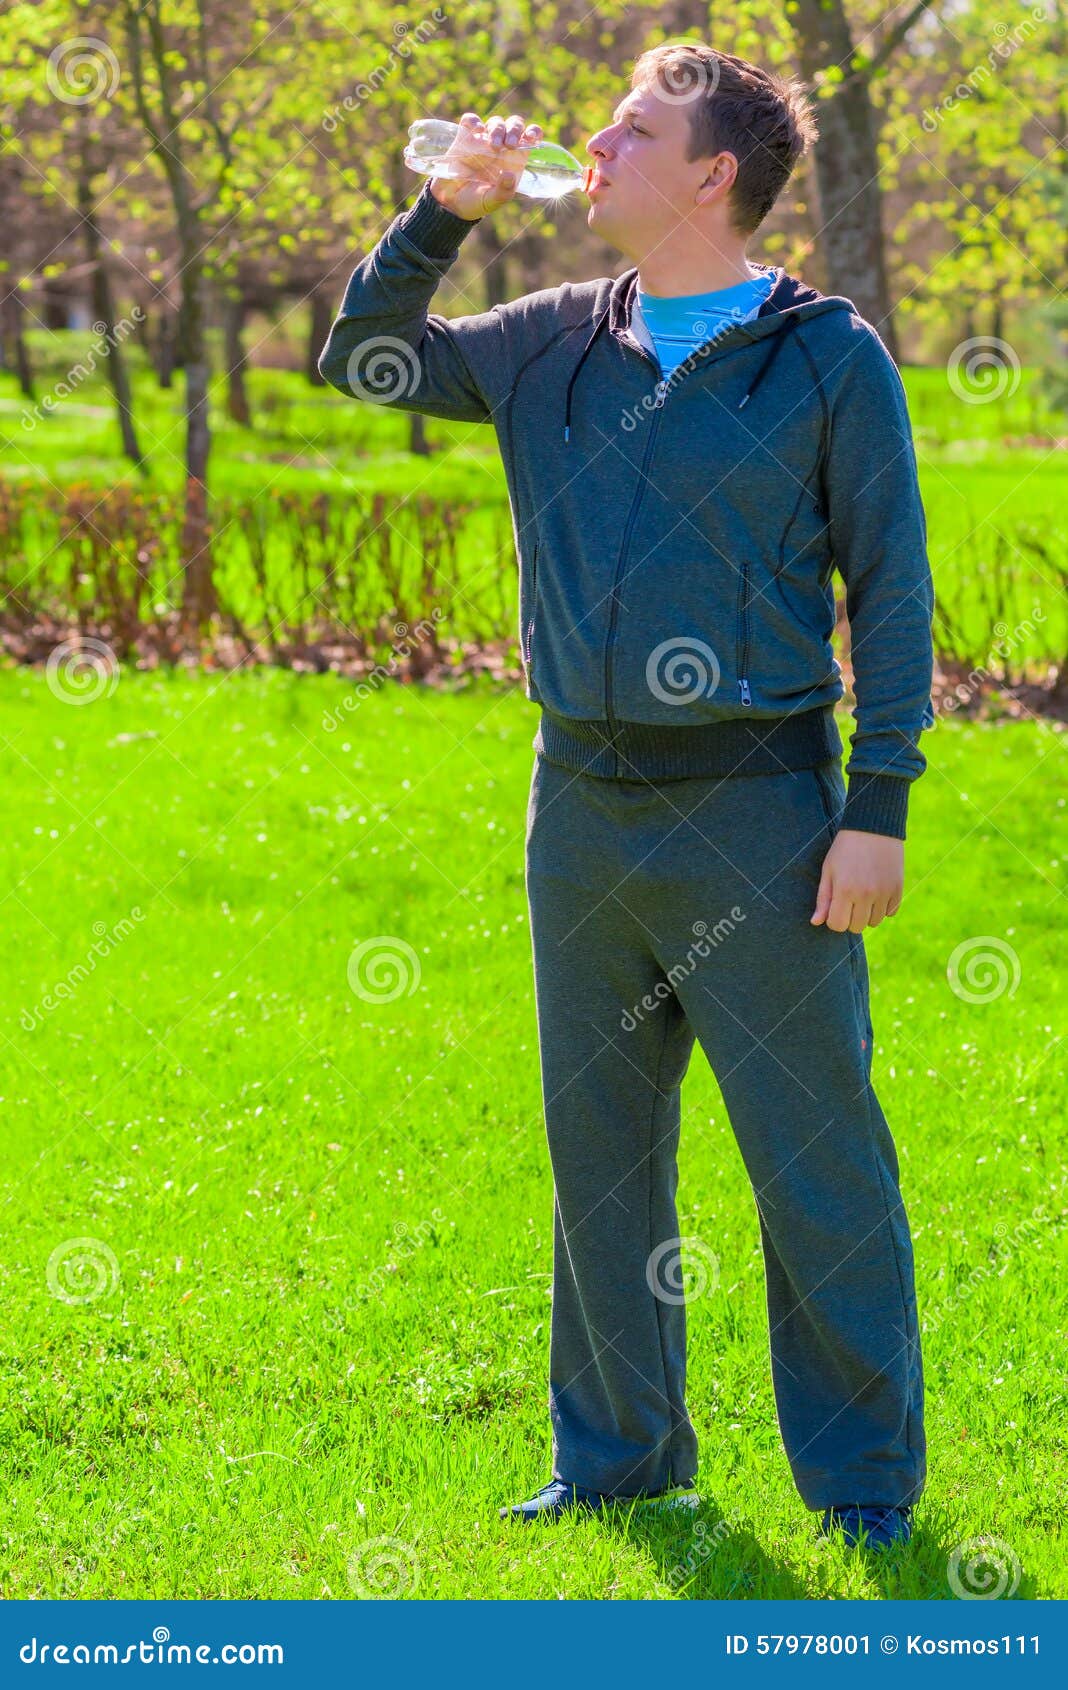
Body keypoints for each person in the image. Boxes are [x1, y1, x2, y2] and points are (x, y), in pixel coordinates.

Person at [318, 40, 935, 1554]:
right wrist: (443, 212)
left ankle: (863, 1482)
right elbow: (364, 357)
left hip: (764, 814)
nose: (592, 144)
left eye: (633, 128)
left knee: (815, 1157)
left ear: (712, 174)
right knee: (599, 1154)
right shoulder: (548, 342)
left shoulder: (827, 358)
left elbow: (894, 591)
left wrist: (880, 805)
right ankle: (618, 1457)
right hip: (582, 811)